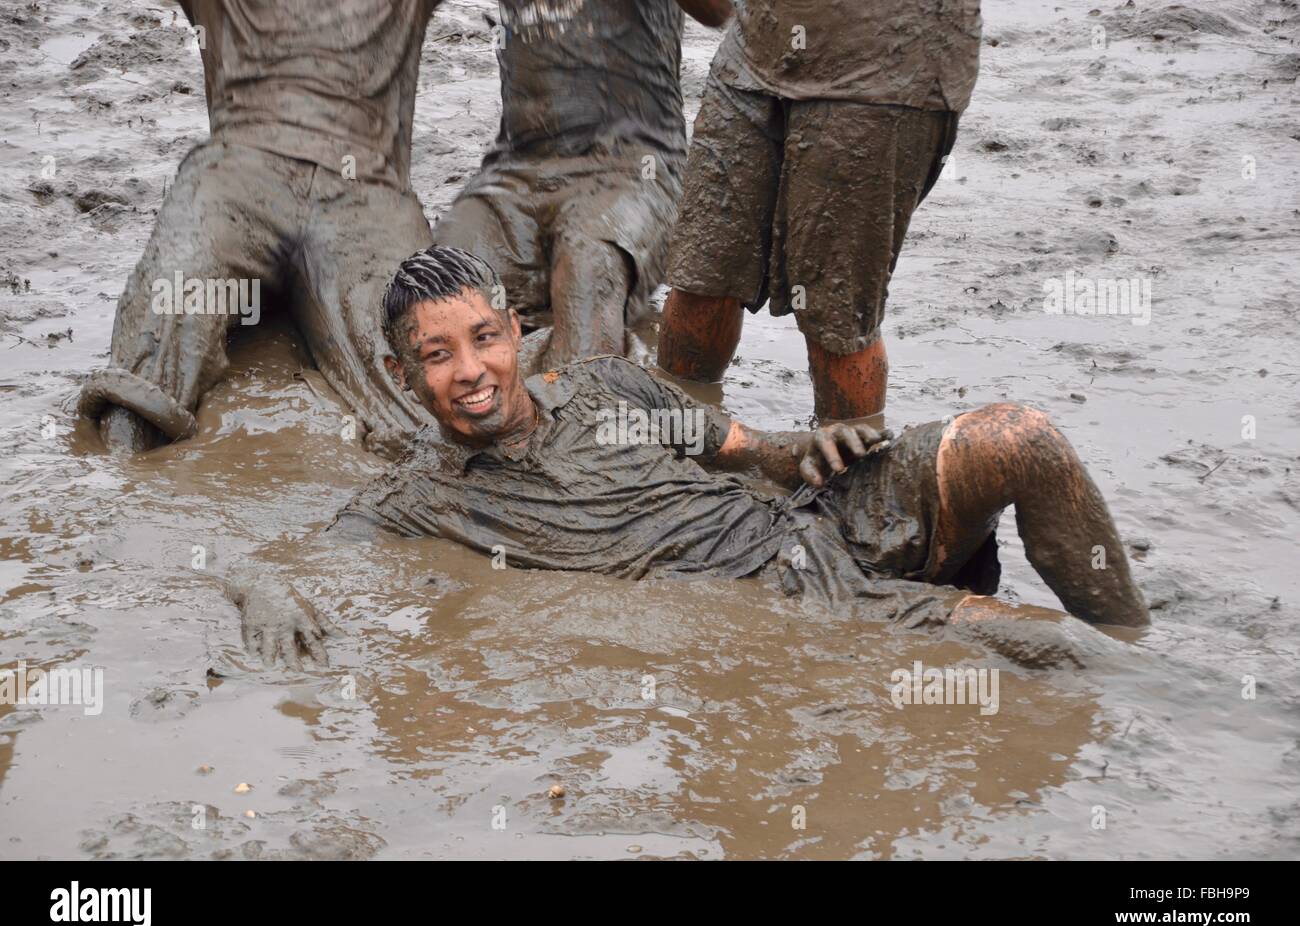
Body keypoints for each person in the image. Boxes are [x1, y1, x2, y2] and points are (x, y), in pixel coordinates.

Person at [226, 247, 1149, 668]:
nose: (471, 372)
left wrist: (816, 445)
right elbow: (283, 555)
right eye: (438, 356)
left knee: (1019, 438)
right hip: (787, 593)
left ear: (515, 329)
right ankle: (1170, 699)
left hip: (818, 518)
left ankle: (1137, 633)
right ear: (401, 373)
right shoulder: (417, 500)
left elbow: (759, 453)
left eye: (484, 338)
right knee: (1041, 643)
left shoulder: (602, 387)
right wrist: (257, 589)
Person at [77, 0, 444, 457]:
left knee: (420, 355)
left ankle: (439, 491)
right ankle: (122, 480)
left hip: (365, 191)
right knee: (165, 310)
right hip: (237, 179)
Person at [656, 0, 983, 419]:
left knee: (836, 314)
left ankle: (845, 479)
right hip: (757, 46)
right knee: (701, 278)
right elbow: (715, 11)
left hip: (882, 65)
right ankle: (676, 448)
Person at [432, 0, 733, 366]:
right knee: (441, 283)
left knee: (590, 265)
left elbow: (720, 12)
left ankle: (584, 407)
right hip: (513, 173)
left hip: (631, 169)